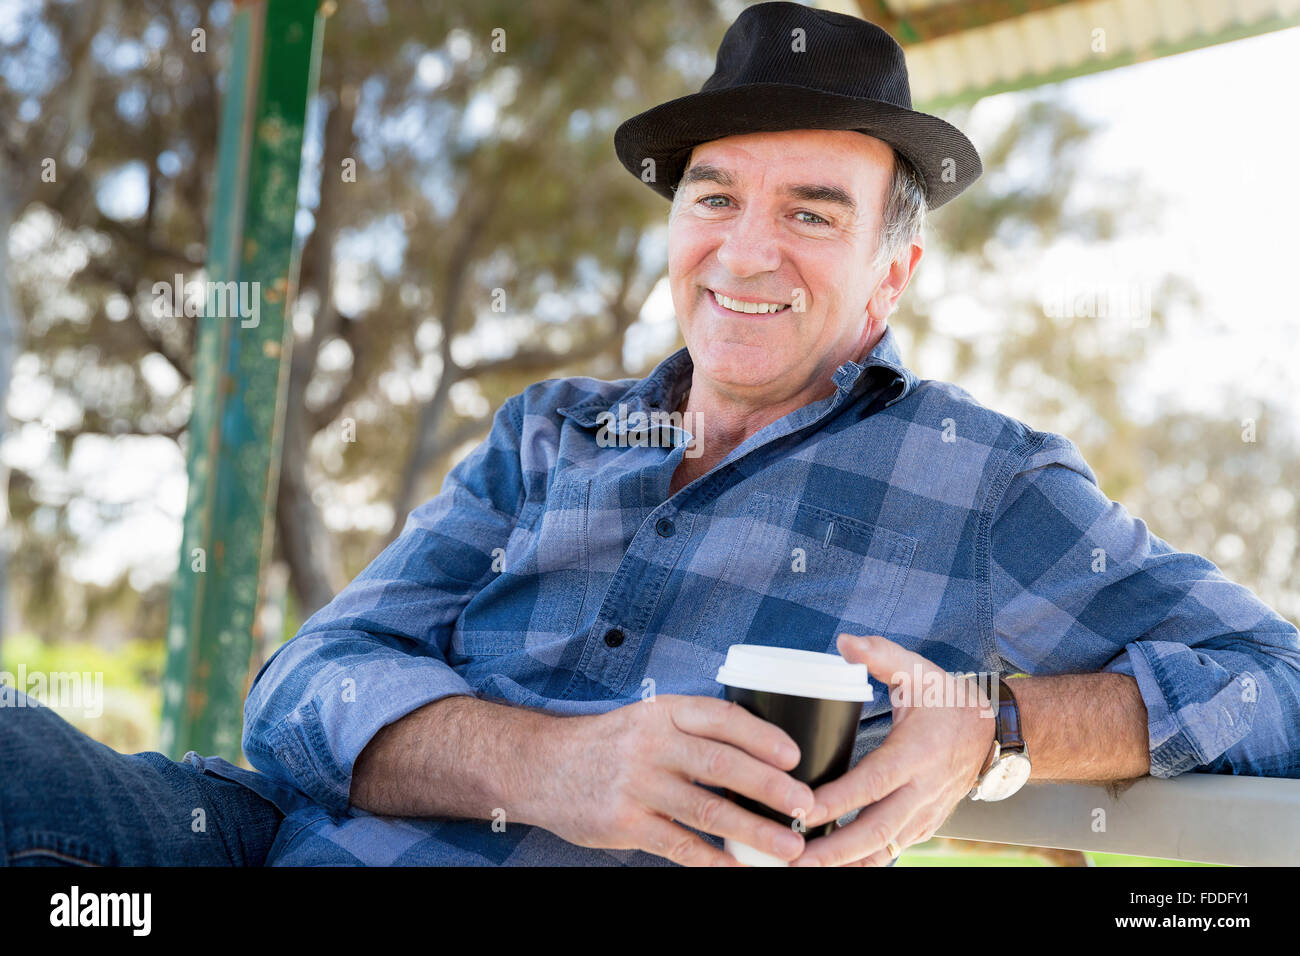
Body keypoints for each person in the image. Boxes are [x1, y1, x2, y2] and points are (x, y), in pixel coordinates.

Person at [4, 1, 1298, 868]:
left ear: (890, 274)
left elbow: (1276, 682)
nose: (744, 247)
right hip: (247, 838)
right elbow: (297, 693)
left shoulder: (985, 483)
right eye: (716, 196)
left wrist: (999, 727)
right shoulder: (547, 433)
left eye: (810, 211)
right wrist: (555, 764)